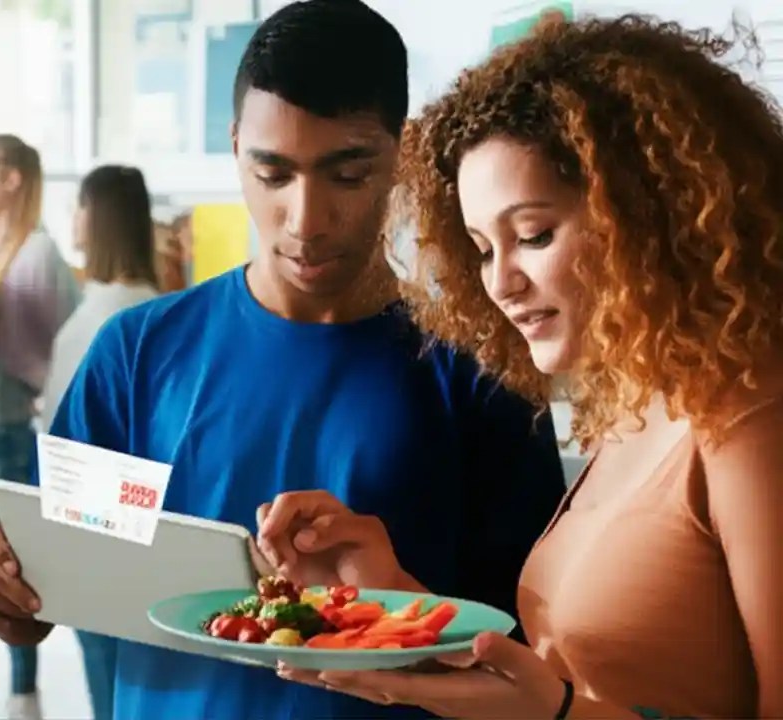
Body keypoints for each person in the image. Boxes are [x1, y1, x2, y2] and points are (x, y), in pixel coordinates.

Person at [0, 3, 567, 720]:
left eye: (347, 174)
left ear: (403, 156)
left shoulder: (478, 370)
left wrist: (398, 596)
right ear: (235, 147)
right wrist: (17, 593)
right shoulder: (137, 355)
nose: (306, 220)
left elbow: (530, 653)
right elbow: (62, 580)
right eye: (274, 173)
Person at [272, 14, 783, 720]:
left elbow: (561, 705)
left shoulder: (750, 418)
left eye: (533, 235)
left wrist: (559, 715)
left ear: (649, 211)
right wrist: (390, 600)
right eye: (482, 248)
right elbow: (558, 681)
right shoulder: (638, 408)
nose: (500, 282)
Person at [38, 164, 161, 720]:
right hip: (112, 513)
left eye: (79, 206)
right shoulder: (145, 306)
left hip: (104, 518)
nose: (73, 220)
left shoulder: (115, 317)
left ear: (99, 216)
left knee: (110, 677)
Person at [0, 133, 80, 720]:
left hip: (7, 424)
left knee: (12, 569)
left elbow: (66, 350)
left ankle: (21, 694)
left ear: (12, 180)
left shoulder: (37, 254)